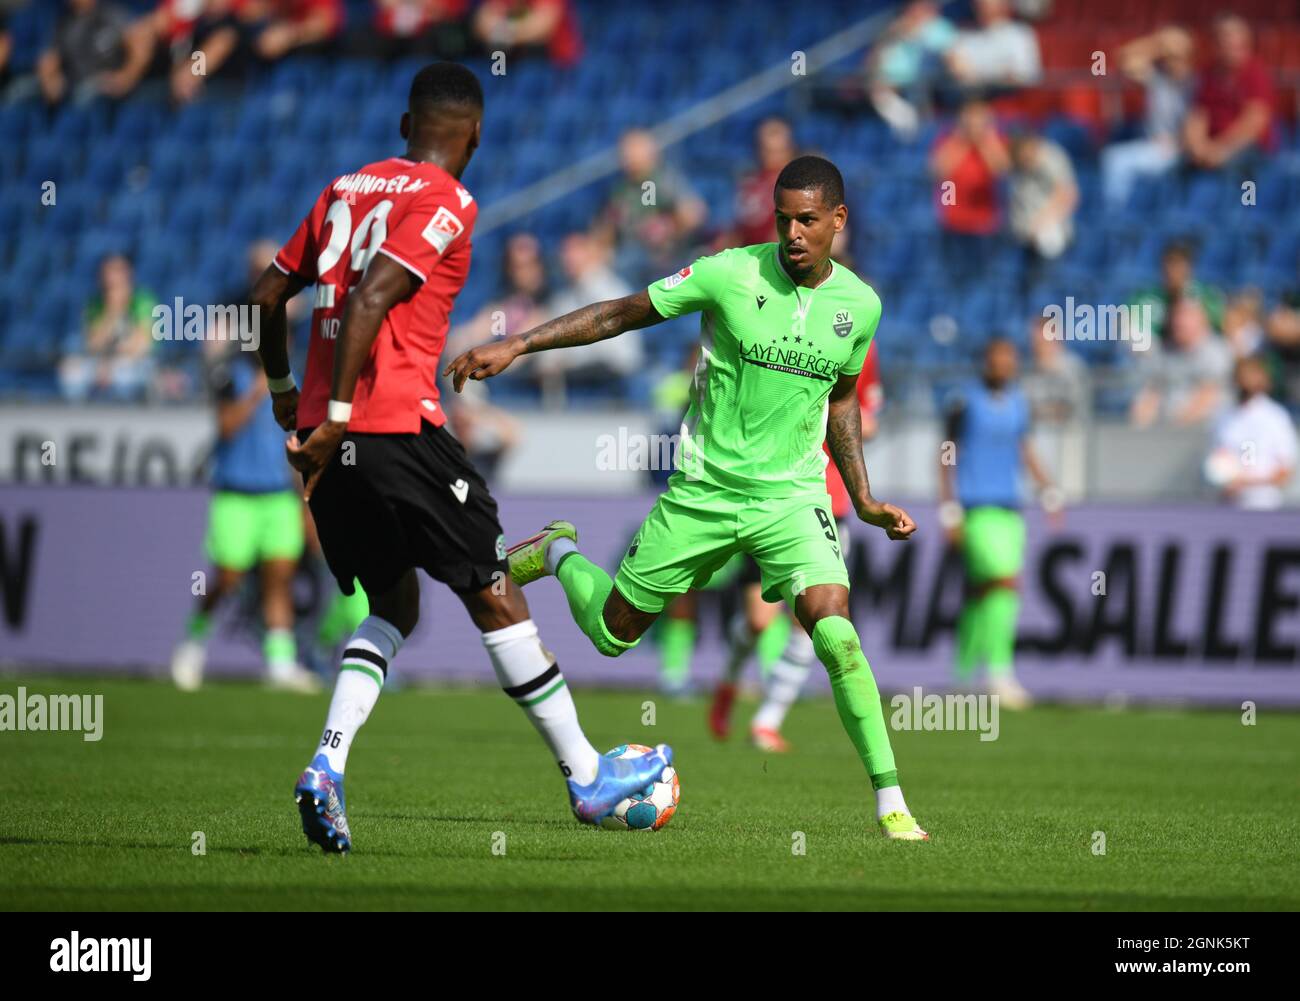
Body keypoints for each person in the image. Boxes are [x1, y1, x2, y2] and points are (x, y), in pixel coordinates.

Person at [250, 62, 672, 853]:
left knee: (396, 602)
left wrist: (288, 396)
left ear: (406, 126)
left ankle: (326, 765)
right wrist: (341, 415)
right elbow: (375, 294)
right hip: (395, 429)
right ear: (475, 133)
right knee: (495, 590)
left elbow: (269, 297)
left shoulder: (343, 188)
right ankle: (586, 776)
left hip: (328, 441)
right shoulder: (450, 202)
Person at [448, 155, 930, 841]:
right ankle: (559, 550)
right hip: (703, 492)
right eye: (783, 218)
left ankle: (891, 802)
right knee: (612, 633)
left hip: (791, 500)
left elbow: (844, 400)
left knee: (836, 632)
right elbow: (621, 312)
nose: (793, 232)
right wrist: (522, 342)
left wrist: (866, 497)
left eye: (808, 220)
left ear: (838, 220)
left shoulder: (861, 304)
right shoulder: (727, 272)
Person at [709, 344, 884, 753]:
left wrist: (842, 421)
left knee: (816, 618)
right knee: (757, 620)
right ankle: (728, 682)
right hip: (773, 497)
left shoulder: (860, 342)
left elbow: (870, 415)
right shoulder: (780, 334)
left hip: (829, 503)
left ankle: (767, 720)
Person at [170, 339, 320, 695]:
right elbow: (225, 426)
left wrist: (304, 501)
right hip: (236, 494)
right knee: (228, 577)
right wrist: (255, 394)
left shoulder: (291, 378)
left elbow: (295, 443)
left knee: (279, 577)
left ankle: (279, 664)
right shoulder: (230, 375)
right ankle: (192, 642)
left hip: (277, 498)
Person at [938, 338, 1061, 709]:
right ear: (985, 362)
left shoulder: (1019, 404)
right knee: (1004, 582)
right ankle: (999, 672)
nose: (1003, 365)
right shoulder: (964, 401)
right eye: (997, 359)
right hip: (977, 508)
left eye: (1009, 359)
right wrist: (949, 508)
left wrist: (1048, 489)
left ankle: (961, 674)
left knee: (983, 591)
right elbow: (946, 452)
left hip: (1011, 508)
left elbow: (1024, 448)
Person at [597, 128, 707, 287]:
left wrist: (670, 228)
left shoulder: (664, 180)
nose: (626, 155)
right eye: (624, 150)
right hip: (628, 260)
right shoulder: (621, 189)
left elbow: (694, 214)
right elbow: (606, 230)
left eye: (632, 149)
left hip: (664, 260)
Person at [1100, 25, 1195, 210]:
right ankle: (1113, 216)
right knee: (1111, 157)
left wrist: (1181, 143)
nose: (1171, 61)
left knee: (1116, 160)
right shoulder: (1158, 78)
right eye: (1167, 57)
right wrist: (1158, 43)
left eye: (1176, 57)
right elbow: (1123, 58)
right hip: (1153, 145)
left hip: (1181, 148)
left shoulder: (1195, 82)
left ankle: (1114, 212)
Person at [930, 98, 1009, 293]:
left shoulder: (995, 140)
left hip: (985, 222)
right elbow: (939, 169)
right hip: (953, 220)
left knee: (983, 279)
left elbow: (1001, 169)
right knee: (953, 278)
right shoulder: (951, 140)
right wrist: (962, 140)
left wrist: (984, 140)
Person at [1183, 14, 1276, 173]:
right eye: (1223, 42)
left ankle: (1247, 199)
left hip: (1247, 149)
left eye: (1236, 45)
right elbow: (1198, 116)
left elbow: (1254, 123)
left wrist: (1221, 149)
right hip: (1211, 147)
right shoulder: (1207, 74)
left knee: (1235, 170)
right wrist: (1197, 147)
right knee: (1177, 167)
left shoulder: (1255, 73)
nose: (1230, 48)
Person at [59, 253, 156, 402]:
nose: (111, 278)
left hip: (133, 362)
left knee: (123, 375)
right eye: (107, 272)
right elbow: (92, 344)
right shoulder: (95, 304)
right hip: (101, 360)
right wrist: (113, 310)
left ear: (128, 274)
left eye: (117, 271)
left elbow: (143, 346)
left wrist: (112, 364)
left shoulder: (142, 301)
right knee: (72, 369)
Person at [1205, 357, 1297, 510]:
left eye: (1250, 376)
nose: (1245, 382)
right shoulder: (1223, 416)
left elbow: (1285, 470)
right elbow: (1216, 457)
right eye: (1241, 376)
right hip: (1227, 504)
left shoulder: (1275, 417)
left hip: (1264, 506)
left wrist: (1247, 483)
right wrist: (1223, 478)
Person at [1130, 299, 1233, 427]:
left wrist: (1176, 428)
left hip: (1205, 432)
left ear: (1202, 320)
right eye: (1176, 316)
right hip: (1166, 432)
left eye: (1186, 316)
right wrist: (1140, 428)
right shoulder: (1163, 351)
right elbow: (1151, 393)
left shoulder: (1216, 351)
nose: (1179, 322)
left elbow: (1208, 396)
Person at [1007, 131, 1078, 294]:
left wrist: (1041, 222)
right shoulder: (1016, 166)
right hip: (1023, 239)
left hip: (1050, 239)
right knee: (1024, 290)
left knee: (1047, 291)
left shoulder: (1051, 159)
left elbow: (1069, 195)